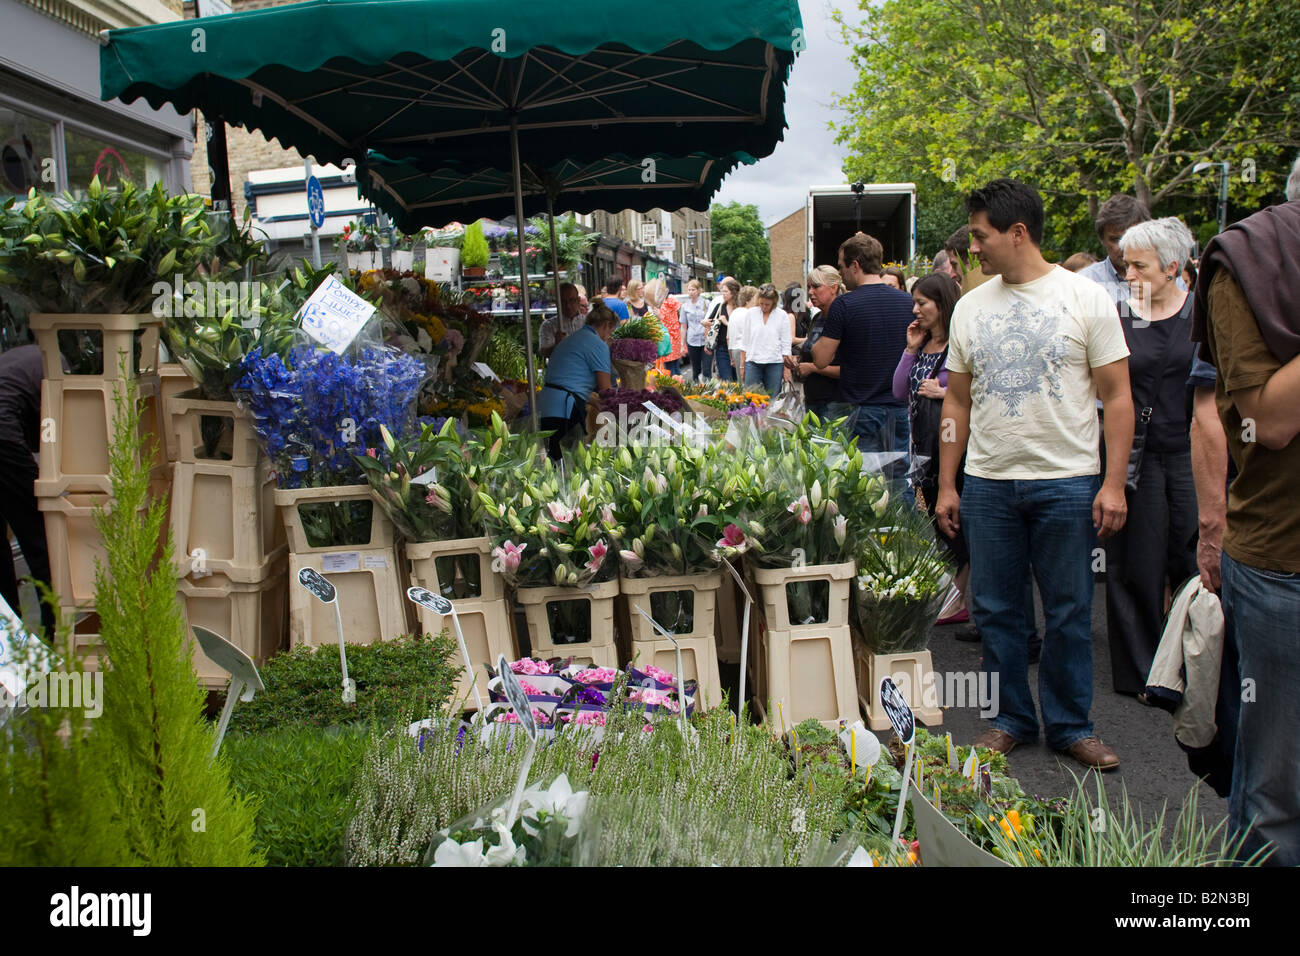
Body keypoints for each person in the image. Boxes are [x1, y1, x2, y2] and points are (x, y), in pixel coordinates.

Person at [934, 178, 1134, 771]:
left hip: (1068, 481)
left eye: (980, 235)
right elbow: (956, 405)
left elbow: (1119, 397)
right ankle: (1011, 720)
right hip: (990, 483)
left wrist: (1114, 482)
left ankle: (1072, 725)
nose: (973, 247)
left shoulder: (1085, 298)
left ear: (1017, 233)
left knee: (1070, 609)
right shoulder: (970, 306)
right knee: (996, 609)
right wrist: (949, 482)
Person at [1193, 160, 1300, 865]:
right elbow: (1272, 418)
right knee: (1278, 795)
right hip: (1283, 564)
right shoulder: (1251, 260)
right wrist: (1210, 527)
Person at [1103, 217, 1200, 697]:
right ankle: (1142, 674)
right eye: (1127, 265)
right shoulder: (1120, 318)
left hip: (1187, 453)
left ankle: (1191, 668)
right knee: (1131, 566)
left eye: (1139, 266)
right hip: (1134, 456)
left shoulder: (1201, 315)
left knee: (1192, 561)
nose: (1129, 275)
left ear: (1173, 267)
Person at [893, 273, 970, 619]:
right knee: (934, 519)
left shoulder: (960, 344)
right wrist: (910, 349)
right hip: (922, 445)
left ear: (941, 305)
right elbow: (898, 390)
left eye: (922, 303)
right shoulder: (923, 345)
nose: (915, 309)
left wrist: (944, 393)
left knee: (955, 523)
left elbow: (972, 393)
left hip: (952, 446)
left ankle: (959, 598)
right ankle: (953, 594)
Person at [811, 232, 914, 491]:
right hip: (898, 408)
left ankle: (870, 532)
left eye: (842, 265)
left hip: (859, 409)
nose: (841, 272)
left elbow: (821, 360)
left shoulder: (845, 305)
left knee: (860, 484)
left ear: (855, 265)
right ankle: (907, 531)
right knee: (899, 481)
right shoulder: (908, 302)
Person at [0, 344, 54, 639]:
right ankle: (54, 628)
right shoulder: (60, 372)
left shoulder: (36, 358)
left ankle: (10, 634)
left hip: (8, 424)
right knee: (41, 532)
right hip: (4, 432)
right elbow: (51, 437)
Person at [537, 303, 616, 459]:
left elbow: (568, 380)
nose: (609, 337)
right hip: (565, 408)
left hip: (548, 402)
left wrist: (593, 401)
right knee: (569, 459)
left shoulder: (573, 339)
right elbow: (607, 391)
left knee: (554, 458)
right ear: (606, 325)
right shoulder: (598, 345)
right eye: (611, 332)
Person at [789, 266, 842, 422]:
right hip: (813, 398)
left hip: (834, 402)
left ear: (834, 288)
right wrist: (797, 363)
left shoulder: (843, 318)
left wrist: (812, 368)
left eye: (816, 286)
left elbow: (850, 368)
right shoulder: (817, 318)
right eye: (809, 287)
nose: (811, 292)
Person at [1079, 194, 1152, 310]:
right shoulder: (1084, 283)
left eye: (1131, 238)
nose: (1124, 247)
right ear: (1102, 239)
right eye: (1115, 239)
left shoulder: (1168, 279)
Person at [743, 284, 791, 395]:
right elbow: (745, 342)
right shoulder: (751, 313)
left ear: (774, 303)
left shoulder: (782, 315)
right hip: (753, 361)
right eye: (761, 303)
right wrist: (742, 366)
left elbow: (786, 344)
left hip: (774, 362)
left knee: (773, 398)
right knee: (751, 397)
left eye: (767, 304)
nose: (764, 307)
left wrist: (787, 369)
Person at [538, 282, 588, 360]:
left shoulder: (588, 322)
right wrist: (557, 345)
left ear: (578, 301)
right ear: (557, 303)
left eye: (572, 300)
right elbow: (544, 352)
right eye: (563, 302)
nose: (568, 305)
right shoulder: (549, 325)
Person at [645, 278, 683, 376]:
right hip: (672, 338)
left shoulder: (666, 304)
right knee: (673, 366)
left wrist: (659, 316)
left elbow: (665, 321)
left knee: (670, 368)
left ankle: (675, 387)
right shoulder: (667, 303)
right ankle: (678, 386)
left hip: (668, 339)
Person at [702, 279, 735, 381]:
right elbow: (709, 322)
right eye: (722, 291)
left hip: (737, 348)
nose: (723, 294)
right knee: (727, 380)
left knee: (738, 380)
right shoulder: (720, 307)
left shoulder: (740, 308)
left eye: (726, 291)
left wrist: (726, 323)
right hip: (722, 349)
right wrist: (704, 324)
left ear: (734, 293)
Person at [681, 278, 712, 381]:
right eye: (689, 290)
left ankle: (709, 392)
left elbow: (712, 321)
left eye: (693, 289)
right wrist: (682, 344)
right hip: (692, 340)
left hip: (705, 340)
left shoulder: (706, 303)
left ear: (699, 290)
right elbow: (684, 326)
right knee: (696, 369)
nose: (691, 292)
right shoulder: (685, 306)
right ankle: (696, 392)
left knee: (707, 369)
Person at [728, 285, 756, 385]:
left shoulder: (734, 313)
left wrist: (731, 356)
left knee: (741, 383)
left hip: (735, 350)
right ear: (748, 300)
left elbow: (729, 337)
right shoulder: (749, 314)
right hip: (746, 351)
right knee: (750, 385)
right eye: (754, 298)